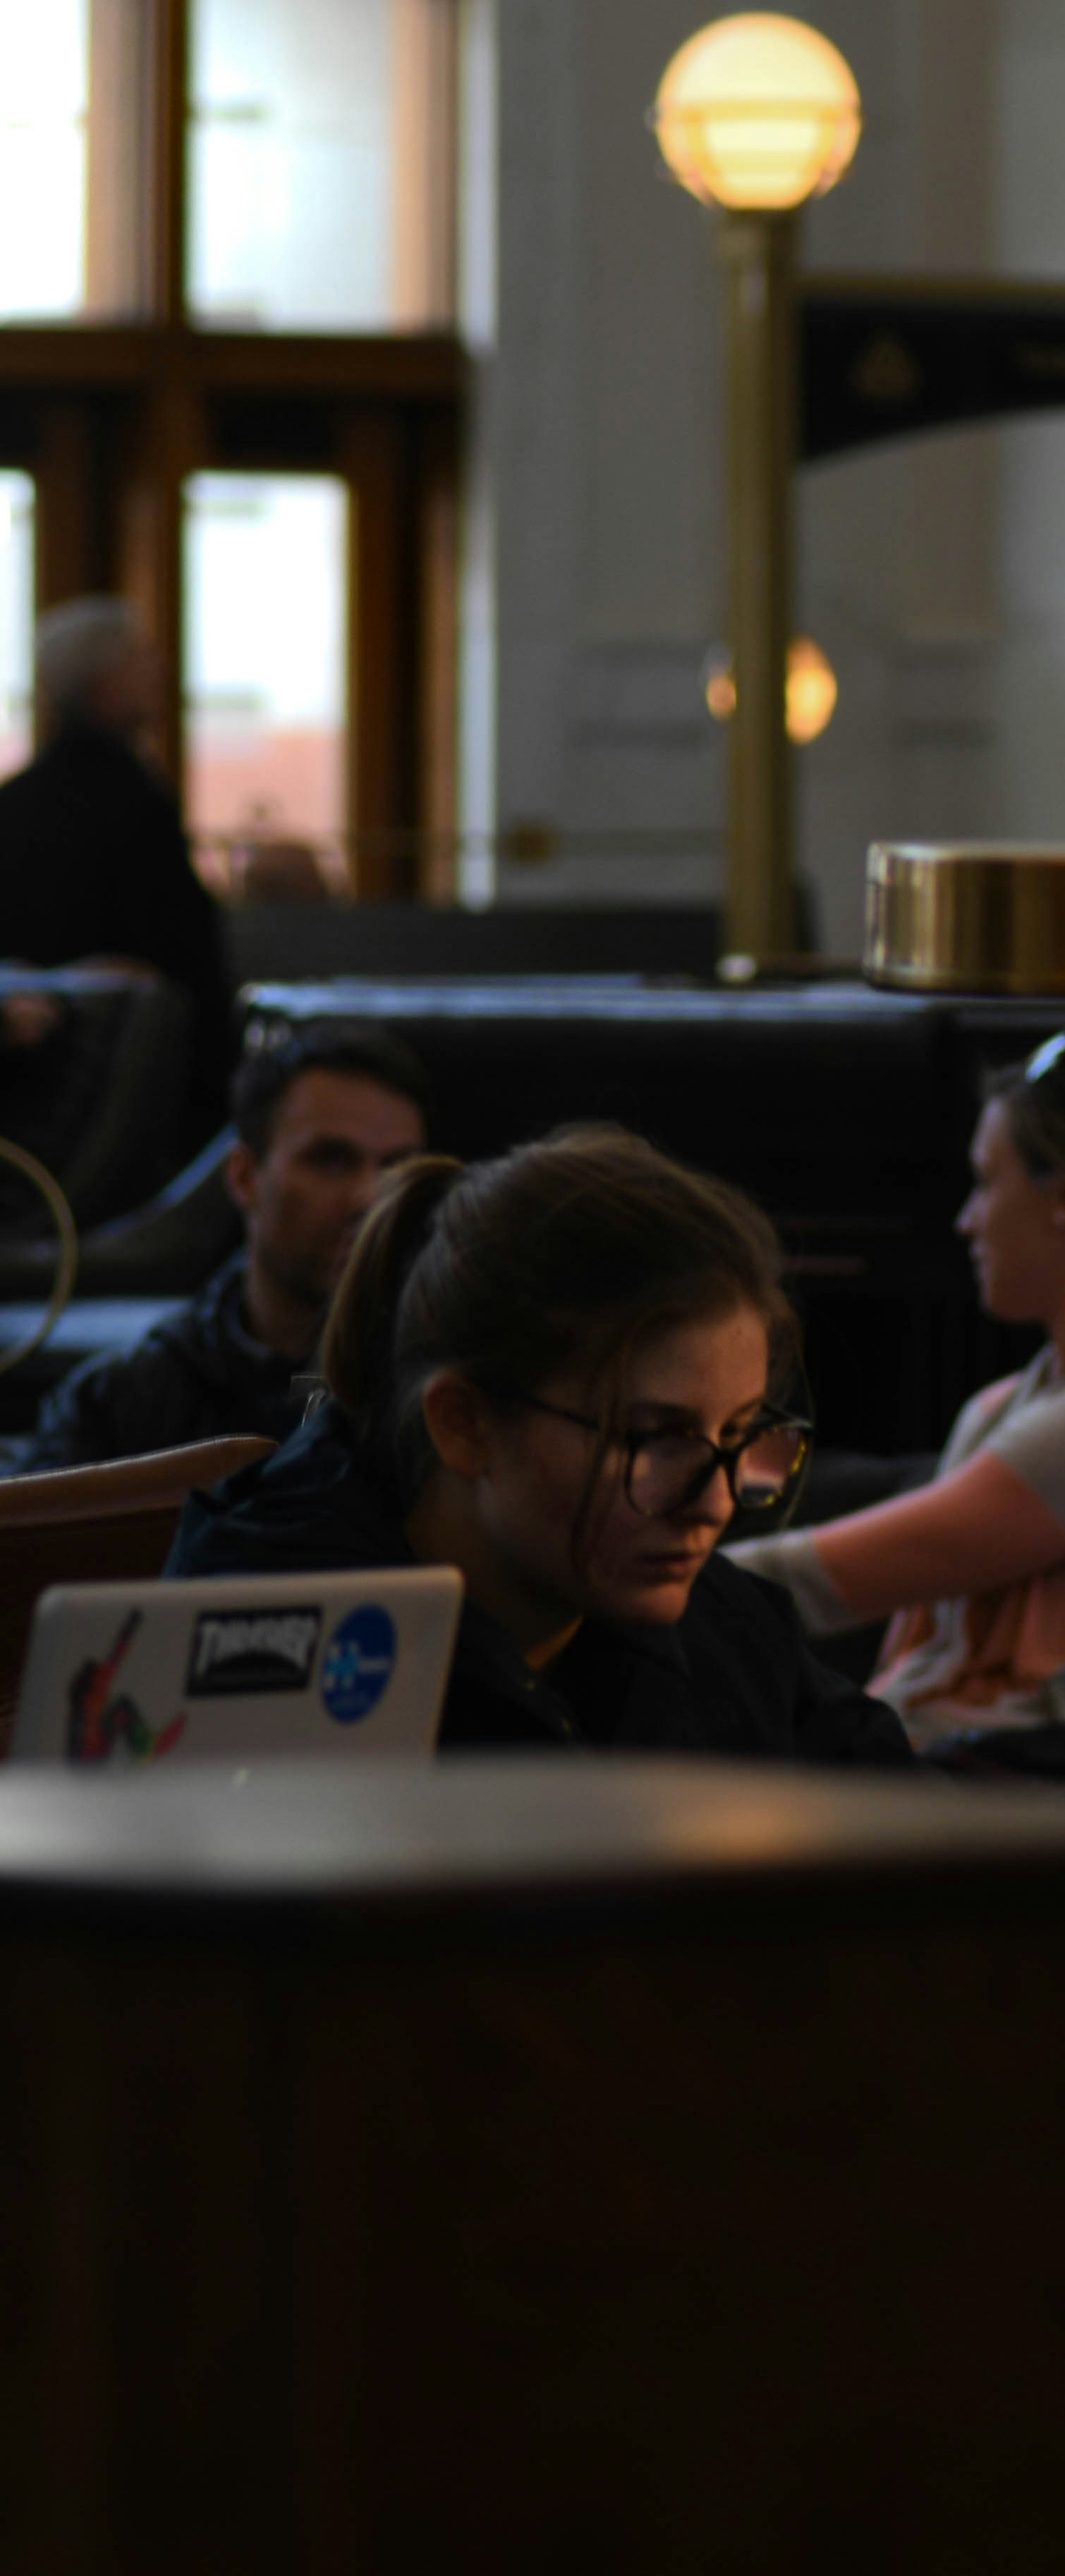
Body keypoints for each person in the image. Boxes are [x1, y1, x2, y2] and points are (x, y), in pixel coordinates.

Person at [167, 1127, 908, 1762]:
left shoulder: (714, 1625)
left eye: (739, 1433)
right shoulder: (266, 1649)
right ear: (465, 1423)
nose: (715, 1503)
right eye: (658, 1438)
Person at [722, 1036, 1065, 1753]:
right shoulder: (1009, 1401)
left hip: (1040, 1791)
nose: (965, 1219)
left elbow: (822, 1581)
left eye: (984, 1181)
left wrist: (602, 1589)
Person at [18, 1022, 428, 1474]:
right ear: (244, 1177)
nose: (369, 1199)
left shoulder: (448, 1386)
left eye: (398, 1169)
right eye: (330, 1160)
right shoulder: (118, 1406)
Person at [0, 597, 240, 1115]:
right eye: (142, 660)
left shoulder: (13, 801)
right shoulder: (136, 802)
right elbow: (183, 954)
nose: (160, 671)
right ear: (105, 689)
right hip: (126, 1076)